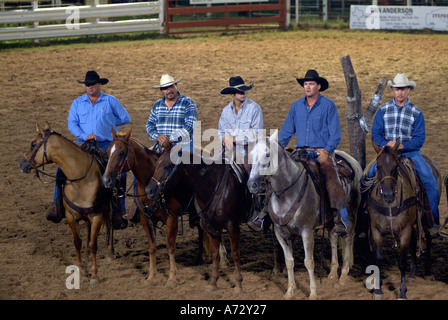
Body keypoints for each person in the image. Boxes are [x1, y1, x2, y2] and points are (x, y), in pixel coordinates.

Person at [47, 70, 131, 229]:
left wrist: (109, 123)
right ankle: (56, 204)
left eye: (92, 84)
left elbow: (125, 118)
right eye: (87, 85)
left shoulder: (110, 101)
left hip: (106, 143)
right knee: (61, 168)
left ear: (99, 84)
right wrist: (85, 135)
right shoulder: (77, 103)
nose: (90, 87)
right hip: (83, 142)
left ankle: (120, 209)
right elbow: (72, 124)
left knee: (122, 173)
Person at [278, 69, 349, 235]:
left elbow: (335, 134)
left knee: (332, 178)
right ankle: (268, 214)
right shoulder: (296, 106)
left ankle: (341, 218)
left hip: (320, 152)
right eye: (305, 84)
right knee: (279, 175)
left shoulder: (328, 105)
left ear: (318, 86)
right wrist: (278, 147)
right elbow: (287, 131)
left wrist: (327, 151)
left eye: (311, 84)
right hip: (299, 152)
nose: (307, 87)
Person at [369, 73, 439, 235]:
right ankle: (366, 215)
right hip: (386, 154)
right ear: (393, 90)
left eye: (403, 89)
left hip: (411, 153)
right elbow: (376, 133)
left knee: (429, 181)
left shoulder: (416, 113)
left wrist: (401, 146)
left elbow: (419, 139)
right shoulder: (383, 110)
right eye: (397, 89)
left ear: (408, 90)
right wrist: (385, 145)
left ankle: (432, 220)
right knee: (367, 178)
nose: (400, 92)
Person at [218, 76, 264, 231]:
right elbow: (220, 132)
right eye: (239, 91)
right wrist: (225, 139)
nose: (242, 93)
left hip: (248, 149)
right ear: (233, 93)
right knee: (210, 166)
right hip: (229, 149)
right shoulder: (226, 111)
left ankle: (257, 209)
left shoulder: (254, 108)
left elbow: (255, 134)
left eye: (243, 90)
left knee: (252, 172)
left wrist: (234, 139)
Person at [146, 74, 198, 152]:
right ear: (161, 91)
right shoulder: (157, 105)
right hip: (161, 146)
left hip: (183, 148)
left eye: (171, 86)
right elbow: (149, 125)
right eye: (165, 88)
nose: (169, 90)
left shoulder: (187, 102)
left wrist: (169, 140)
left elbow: (190, 126)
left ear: (176, 86)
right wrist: (158, 137)